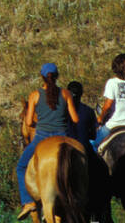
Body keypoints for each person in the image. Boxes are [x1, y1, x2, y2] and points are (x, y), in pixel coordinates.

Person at [16, 63, 81, 212]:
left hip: (41, 137)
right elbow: (75, 119)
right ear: (57, 77)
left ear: (42, 77)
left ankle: (28, 202)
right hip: (63, 135)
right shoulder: (66, 94)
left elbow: (28, 122)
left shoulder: (34, 95)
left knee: (21, 166)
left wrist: (42, 121)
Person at [65, 80, 98, 153]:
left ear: (67, 93)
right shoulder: (89, 111)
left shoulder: (61, 110)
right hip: (83, 146)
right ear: (81, 94)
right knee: (100, 162)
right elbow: (93, 136)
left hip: (64, 145)